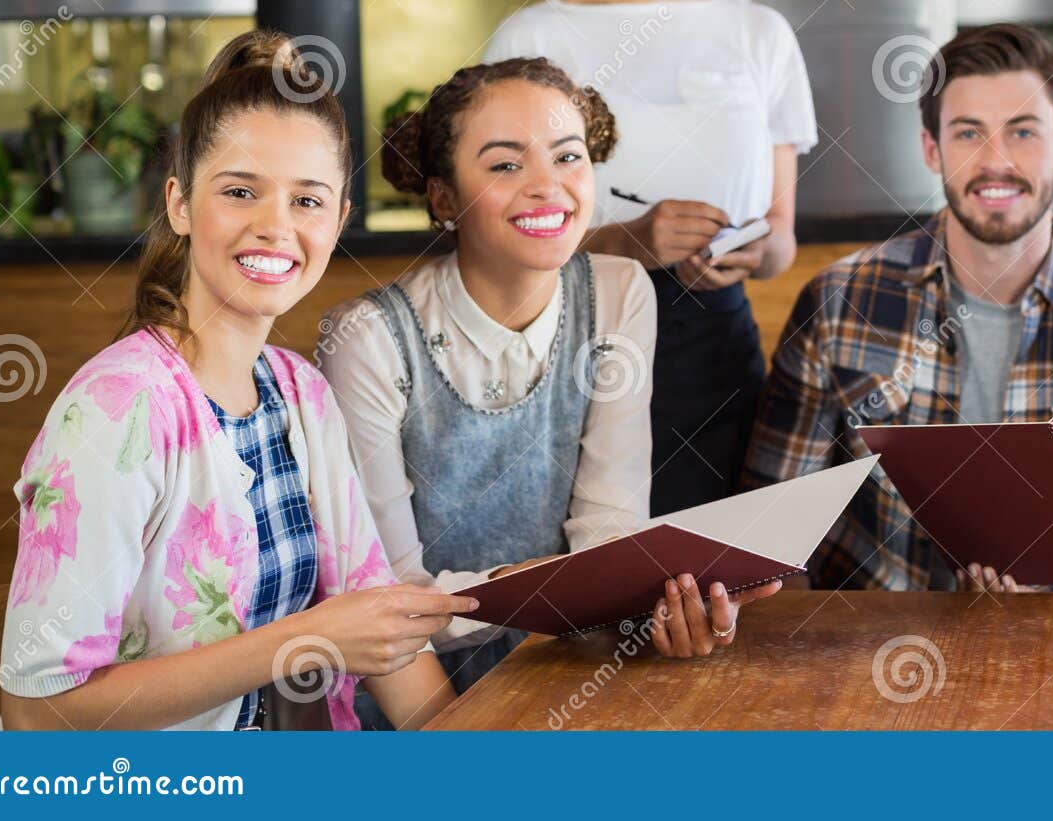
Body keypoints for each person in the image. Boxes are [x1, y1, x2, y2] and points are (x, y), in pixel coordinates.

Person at [0, 31, 474, 731]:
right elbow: (38, 710)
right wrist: (297, 643)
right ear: (181, 203)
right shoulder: (116, 408)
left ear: (340, 219)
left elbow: (381, 626)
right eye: (241, 190)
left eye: (307, 201)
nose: (275, 226)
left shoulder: (302, 391)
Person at [320, 58, 778, 704]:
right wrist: (536, 586)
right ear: (444, 198)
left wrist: (656, 606)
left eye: (569, 157)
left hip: (572, 683)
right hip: (409, 705)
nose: (548, 186)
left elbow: (608, 528)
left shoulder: (619, 292)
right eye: (506, 165)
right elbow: (387, 595)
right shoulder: (367, 338)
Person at [483, 0, 816, 515]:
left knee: (721, 593)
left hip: (718, 358)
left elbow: (783, 239)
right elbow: (488, 249)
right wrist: (627, 240)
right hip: (568, 354)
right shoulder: (528, 42)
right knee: (584, 594)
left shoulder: (760, 34)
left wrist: (755, 250)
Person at [742, 24, 1053, 591]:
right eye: (969, 134)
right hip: (868, 653)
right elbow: (770, 537)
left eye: (1022, 132)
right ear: (931, 149)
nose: (996, 161)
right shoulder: (839, 303)